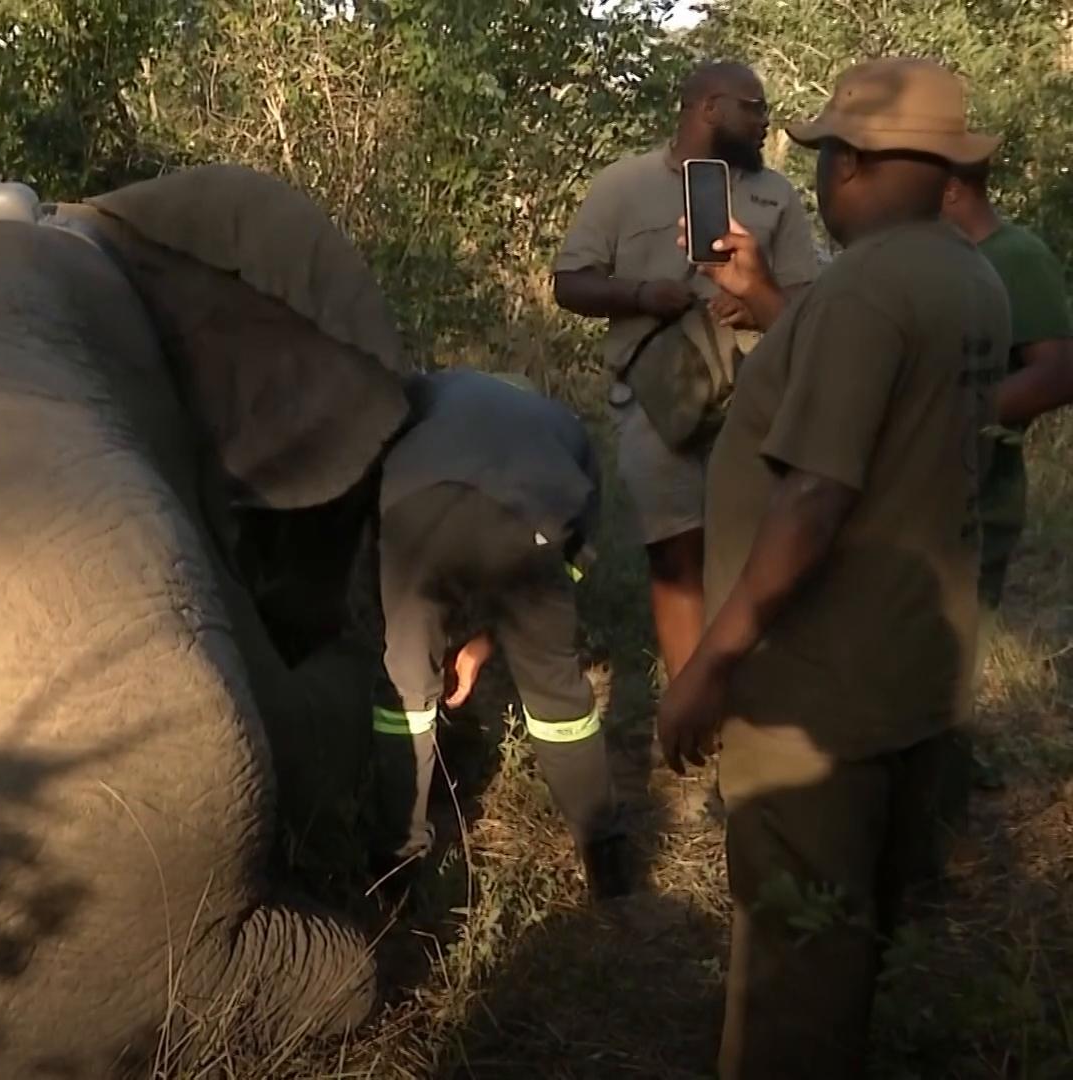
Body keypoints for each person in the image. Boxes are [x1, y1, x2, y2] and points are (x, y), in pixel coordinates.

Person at [655, 58, 1010, 1078]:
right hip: (913, 678)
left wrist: (711, 663)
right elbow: (885, 399)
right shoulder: (971, 280)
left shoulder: (863, 288)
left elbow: (814, 498)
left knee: (794, 981)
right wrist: (771, 302)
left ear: (848, 163)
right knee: (855, 944)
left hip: (816, 698)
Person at [552, 61, 821, 693]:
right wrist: (641, 294)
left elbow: (806, 298)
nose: (764, 122)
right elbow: (570, 283)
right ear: (707, 108)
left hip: (754, 391)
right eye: (753, 108)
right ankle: (691, 699)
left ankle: (753, 692)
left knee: (755, 544)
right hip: (655, 396)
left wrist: (756, 297)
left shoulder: (776, 194)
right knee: (675, 554)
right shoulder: (623, 185)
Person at [365, 367, 628, 901]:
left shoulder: (432, 388)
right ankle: (608, 863)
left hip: (415, 514)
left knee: (404, 695)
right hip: (529, 520)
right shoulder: (564, 425)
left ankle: (396, 868)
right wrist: (494, 635)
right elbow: (573, 558)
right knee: (558, 700)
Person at [940, 162, 1073, 613]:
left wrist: (948, 414)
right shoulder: (945, 256)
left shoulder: (1018, 257)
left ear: (952, 189)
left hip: (981, 503)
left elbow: (1058, 374)